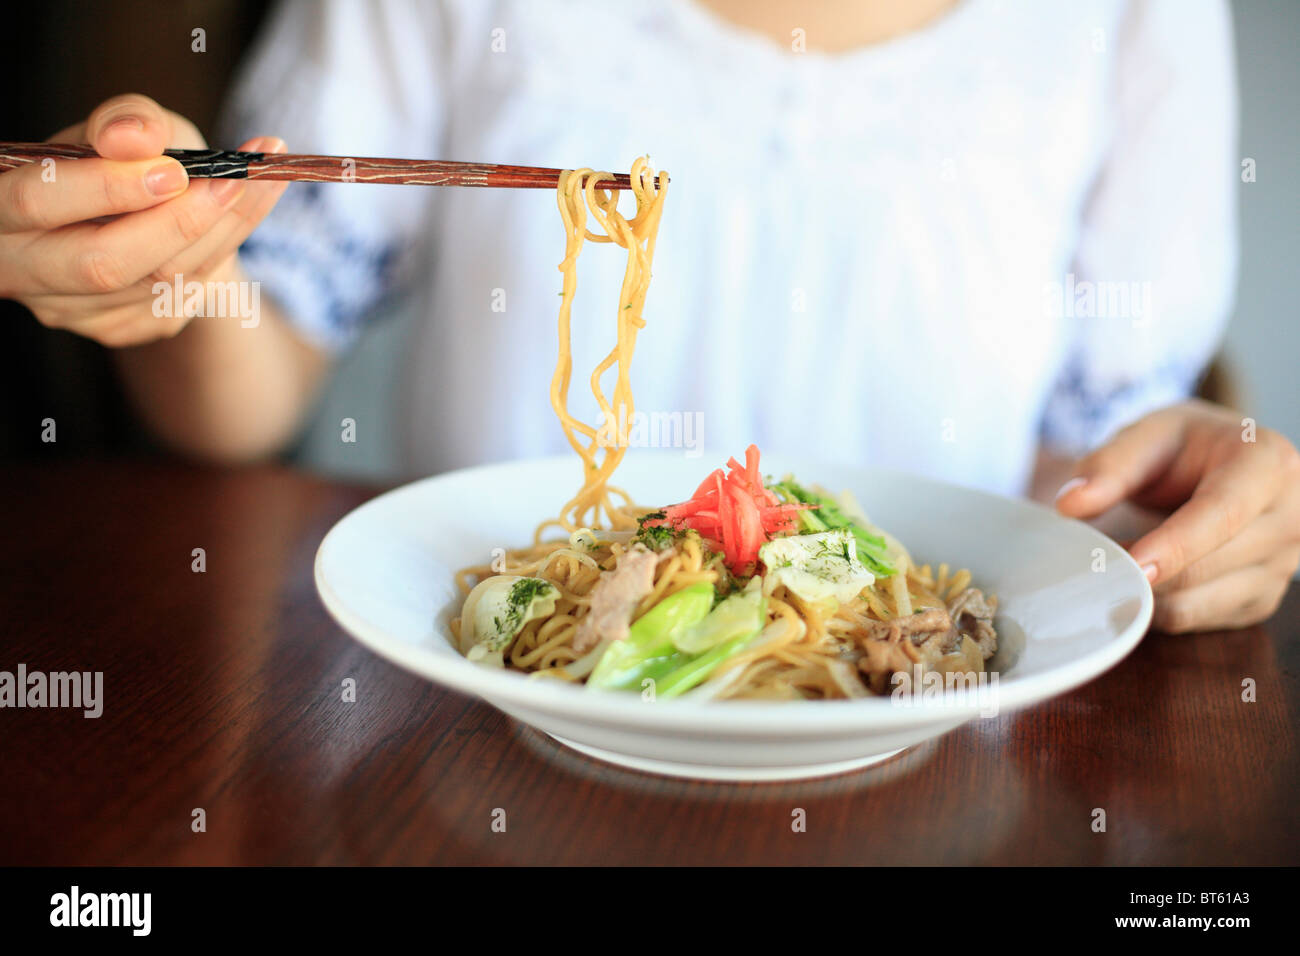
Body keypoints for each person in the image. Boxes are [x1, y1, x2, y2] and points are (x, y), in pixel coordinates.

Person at [1, 0, 1296, 633]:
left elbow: (1104, 473)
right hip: (481, 722)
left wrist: (1194, 502)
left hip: (943, 735)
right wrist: (157, 259)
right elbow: (249, 378)